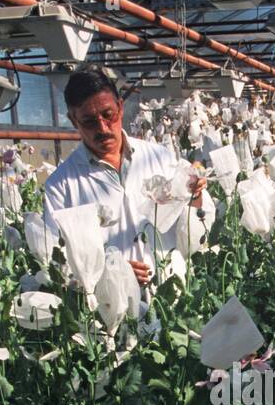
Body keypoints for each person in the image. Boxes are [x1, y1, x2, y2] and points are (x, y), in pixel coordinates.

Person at [44, 67, 206, 285]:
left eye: (108, 115)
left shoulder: (161, 158)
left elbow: (193, 238)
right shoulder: (60, 185)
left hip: (170, 297)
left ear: (120, 108)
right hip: (110, 309)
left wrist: (194, 197)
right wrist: (110, 274)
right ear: (74, 121)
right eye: (89, 121)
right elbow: (55, 261)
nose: (102, 127)